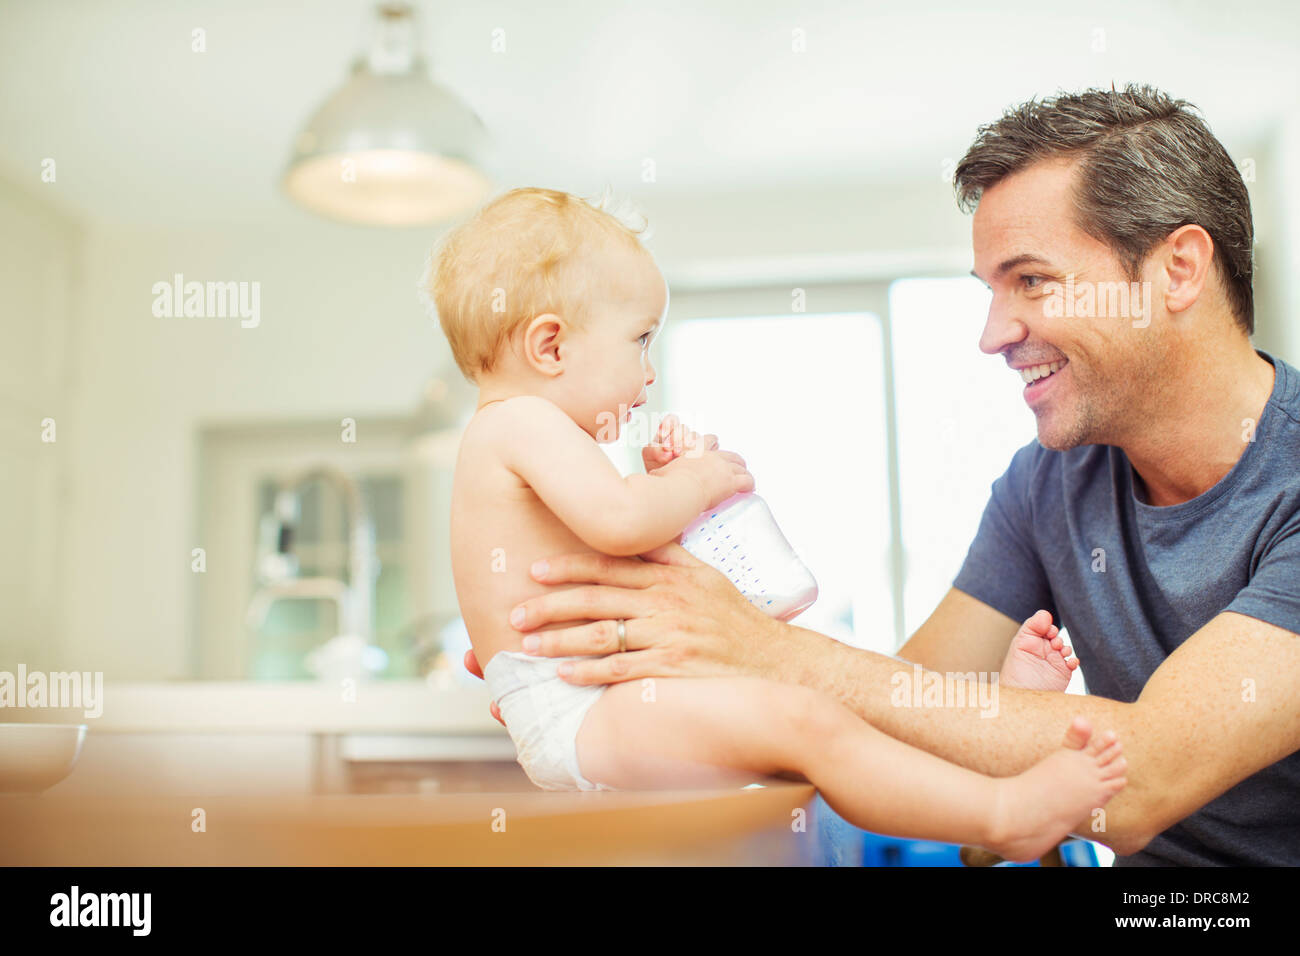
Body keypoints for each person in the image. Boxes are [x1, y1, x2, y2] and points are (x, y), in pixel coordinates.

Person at [467, 87, 1300, 867]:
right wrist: (621, 644)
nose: (993, 333)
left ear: (1178, 271)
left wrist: (763, 649)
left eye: (1032, 282)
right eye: (991, 290)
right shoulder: (1050, 485)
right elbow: (905, 724)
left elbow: (1144, 778)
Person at [428, 185, 1126, 862]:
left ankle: (1001, 746)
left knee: (810, 720)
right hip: (582, 716)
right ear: (550, 347)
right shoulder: (521, 423)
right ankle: (1004, 814)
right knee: (806, 723)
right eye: (640, 340)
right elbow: (619, 523)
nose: (646, 375)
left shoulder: (529, 434)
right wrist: (692, 481)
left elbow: (643, 570)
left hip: (599, 701)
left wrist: (670, 498)